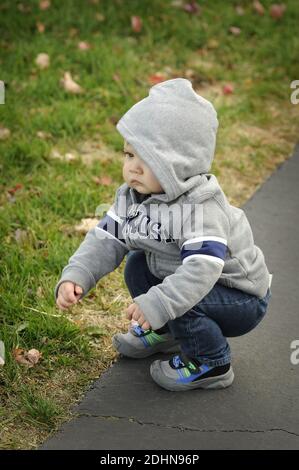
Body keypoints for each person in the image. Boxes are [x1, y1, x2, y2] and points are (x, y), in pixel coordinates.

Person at [54, 78, 273, 392]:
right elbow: (107, 237)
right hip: (188, 279)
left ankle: (211, 361)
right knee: (137, 264)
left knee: (179, 298)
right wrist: (79, 274)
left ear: (181, 165)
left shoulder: (201, 207)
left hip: (238, 296)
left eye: (149, 161)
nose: (134, 169)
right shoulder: (131, 196)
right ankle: (168, 331)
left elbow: (202, 271)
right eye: (129, 155)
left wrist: (158, 302)